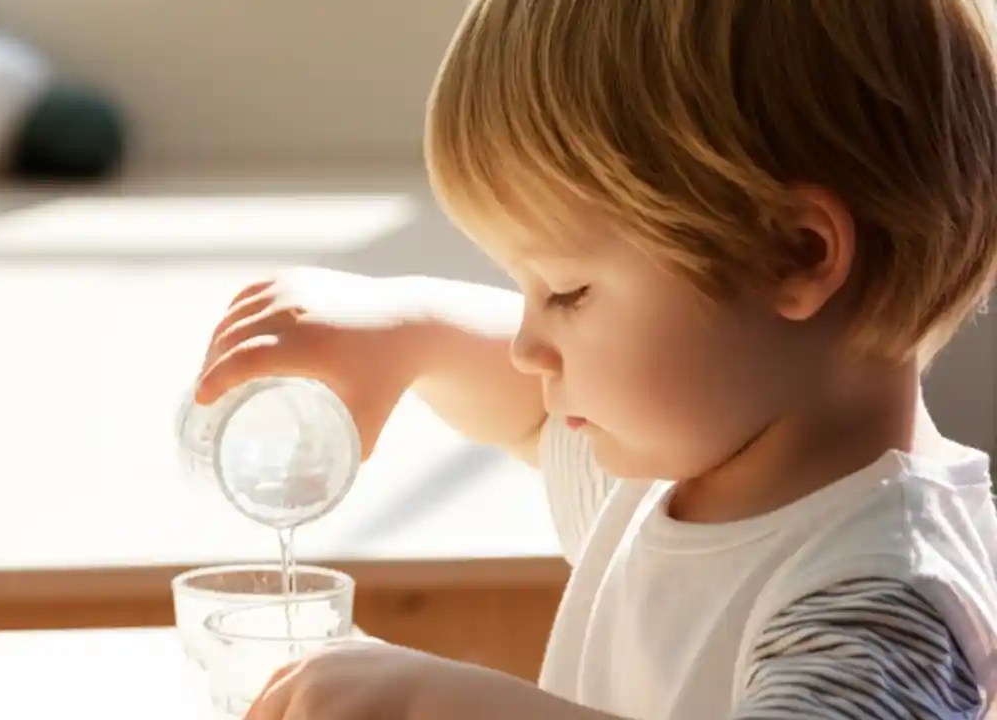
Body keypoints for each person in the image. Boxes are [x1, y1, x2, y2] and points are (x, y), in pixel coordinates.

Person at [195, 1, 997, 717]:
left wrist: (440, 703)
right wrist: (410, 331)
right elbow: (531, 413)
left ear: (791, 254)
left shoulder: (885, 598)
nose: (526, 346)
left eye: (569, 293)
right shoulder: (681, 478)